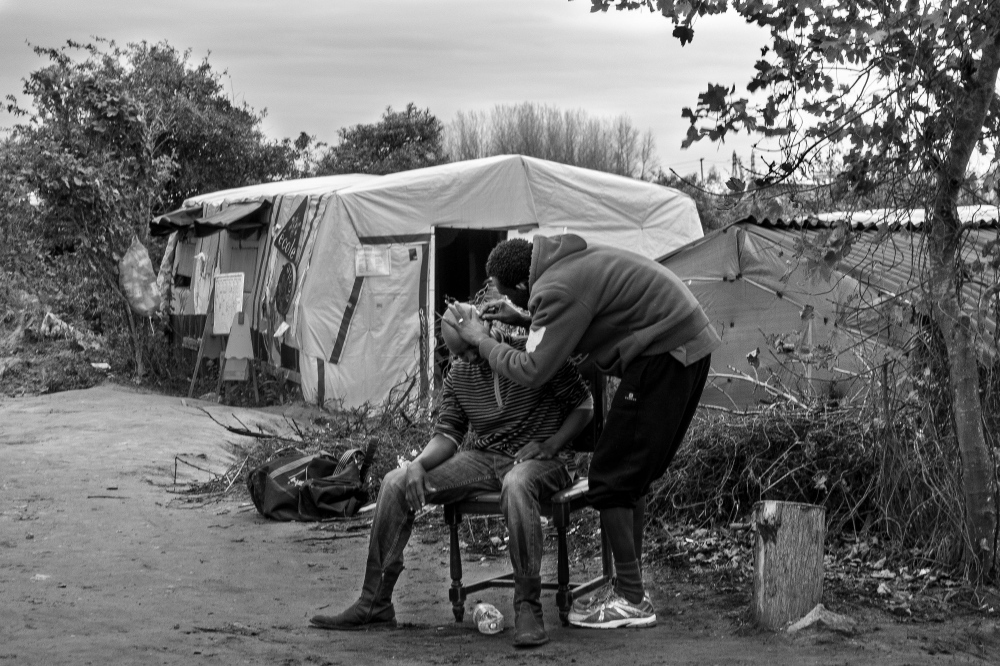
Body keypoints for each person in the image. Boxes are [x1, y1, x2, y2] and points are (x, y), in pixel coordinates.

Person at [445, 234, 720, 629]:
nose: (510, 301)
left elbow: (533, 370)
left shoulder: (555, 288)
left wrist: (482, 340)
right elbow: (577, 318)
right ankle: (630, 588)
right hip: (681, 342)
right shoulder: (561, 266)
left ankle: (631, 598)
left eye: (510, 294)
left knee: (609, 478)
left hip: (665, 351)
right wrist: (523, 318)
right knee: (628, 476)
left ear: (521, 284)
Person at [310, 302, 593, 648]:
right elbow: (447, 434)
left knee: (517, 483)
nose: (469, 359)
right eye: (459, 354)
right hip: (486, 460)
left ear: (486, 328)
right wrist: (417, 465)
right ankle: (375, 602)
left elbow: (584, 406)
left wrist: (551, 444)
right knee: (395, 482)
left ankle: (528, 608)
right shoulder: (459, 374)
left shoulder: (532, 355)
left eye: (471, 348)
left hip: (544, 461)